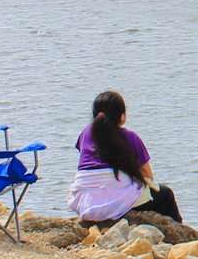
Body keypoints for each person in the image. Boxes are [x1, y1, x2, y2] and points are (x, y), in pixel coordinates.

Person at [67, 90, 181, 222]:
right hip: (114, 204)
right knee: (165, 194)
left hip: (85, 202)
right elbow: (148, 176)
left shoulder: (85, 134)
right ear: (122, 116)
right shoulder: (131, 137)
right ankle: (179, 233)